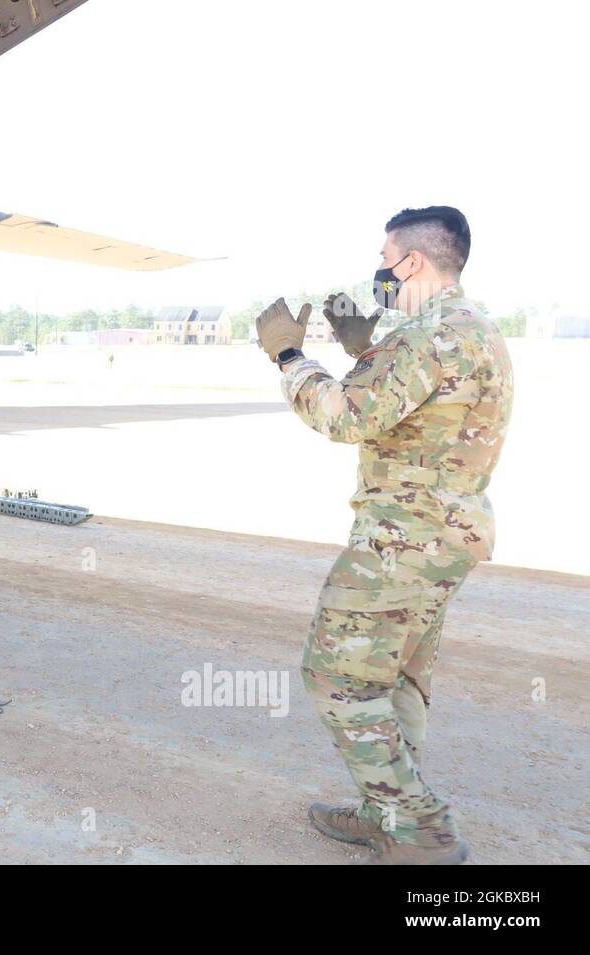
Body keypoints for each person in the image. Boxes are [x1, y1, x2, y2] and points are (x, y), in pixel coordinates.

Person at [254, 206, 514, 864]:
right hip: (445, 536)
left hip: (402, 541)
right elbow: (415, 407)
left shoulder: (428, 333)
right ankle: (383, 814)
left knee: (337, 676)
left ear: (413, 262)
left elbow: (345, 415)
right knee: (396, 680)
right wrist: (364, 348)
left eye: (385, 256)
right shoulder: (472, 327)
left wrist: (289, 354)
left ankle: (420, 832)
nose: (378, 269)